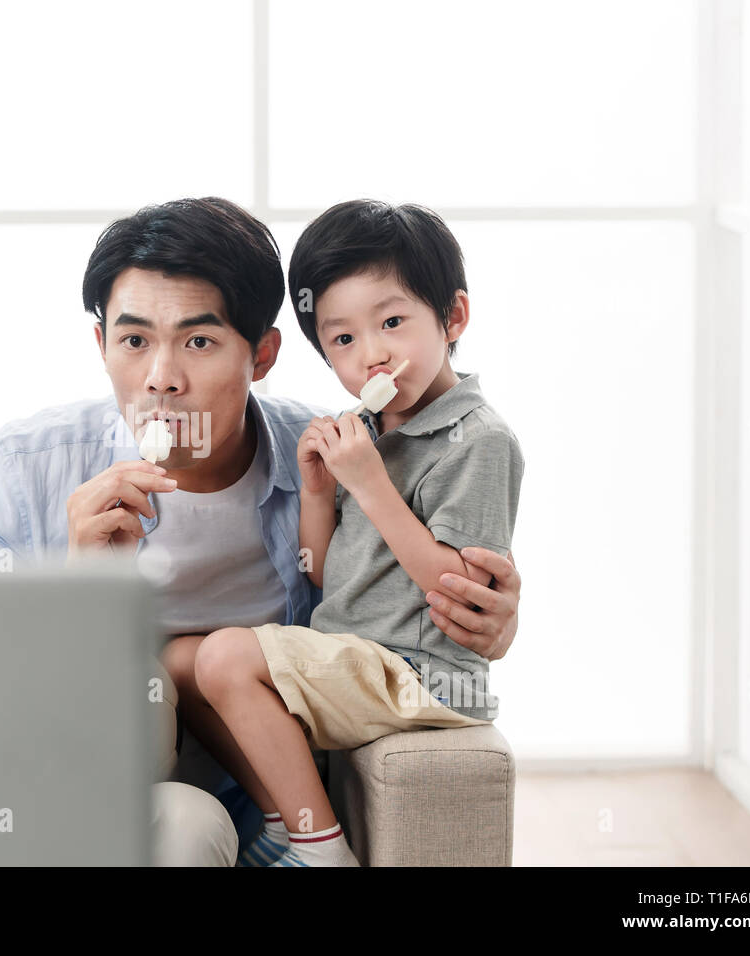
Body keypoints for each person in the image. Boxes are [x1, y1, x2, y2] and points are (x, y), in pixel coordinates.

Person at [0, 197, 523, 865]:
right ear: (101, 346)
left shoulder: (333, 458)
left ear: (263, 354)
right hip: (70, 785)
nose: (161, 380)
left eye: (199, 341)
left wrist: (485, 615)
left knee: (191, 819)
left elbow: (415, 589)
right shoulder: (21, 471)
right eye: (134, 340)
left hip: (236, 803)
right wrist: (75, 584)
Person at [188, 200, 524, 866]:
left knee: (225, 658)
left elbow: (457, 586)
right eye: (343, 340)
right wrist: (319, 488)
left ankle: (316, 845)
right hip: (356, 655)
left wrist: (370, 483)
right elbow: (320, 571)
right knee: (192, 666)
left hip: (421, 671)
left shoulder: (476, 439)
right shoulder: (369, 433)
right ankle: (297, 823)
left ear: (452, 317)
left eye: (393, 322)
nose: (372, 355)